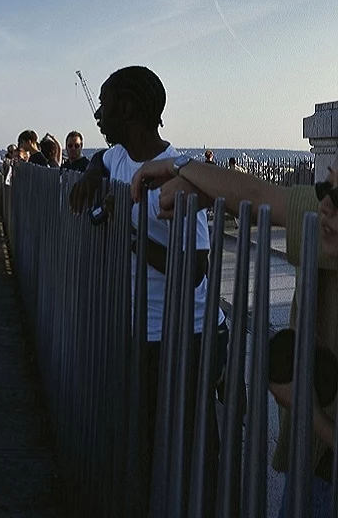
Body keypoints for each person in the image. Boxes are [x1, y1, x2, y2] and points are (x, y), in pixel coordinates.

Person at [134, 150, 338, 515]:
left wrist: (314, 417)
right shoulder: (328, 220)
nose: (323, 205)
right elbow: (258, 195)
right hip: (313, 465)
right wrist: (192, 179)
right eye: (325, 187)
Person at [67, 65, 225, 510]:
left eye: (104, 104)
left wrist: (129, 237)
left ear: (128, 108)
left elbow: (196, 269)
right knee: (142, 447)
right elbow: (101, 159)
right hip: (143, 331)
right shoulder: (117, 158)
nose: (97, 114)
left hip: (183, 337)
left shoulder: (177, 179)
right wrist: (91, 173)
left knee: (187, 454)